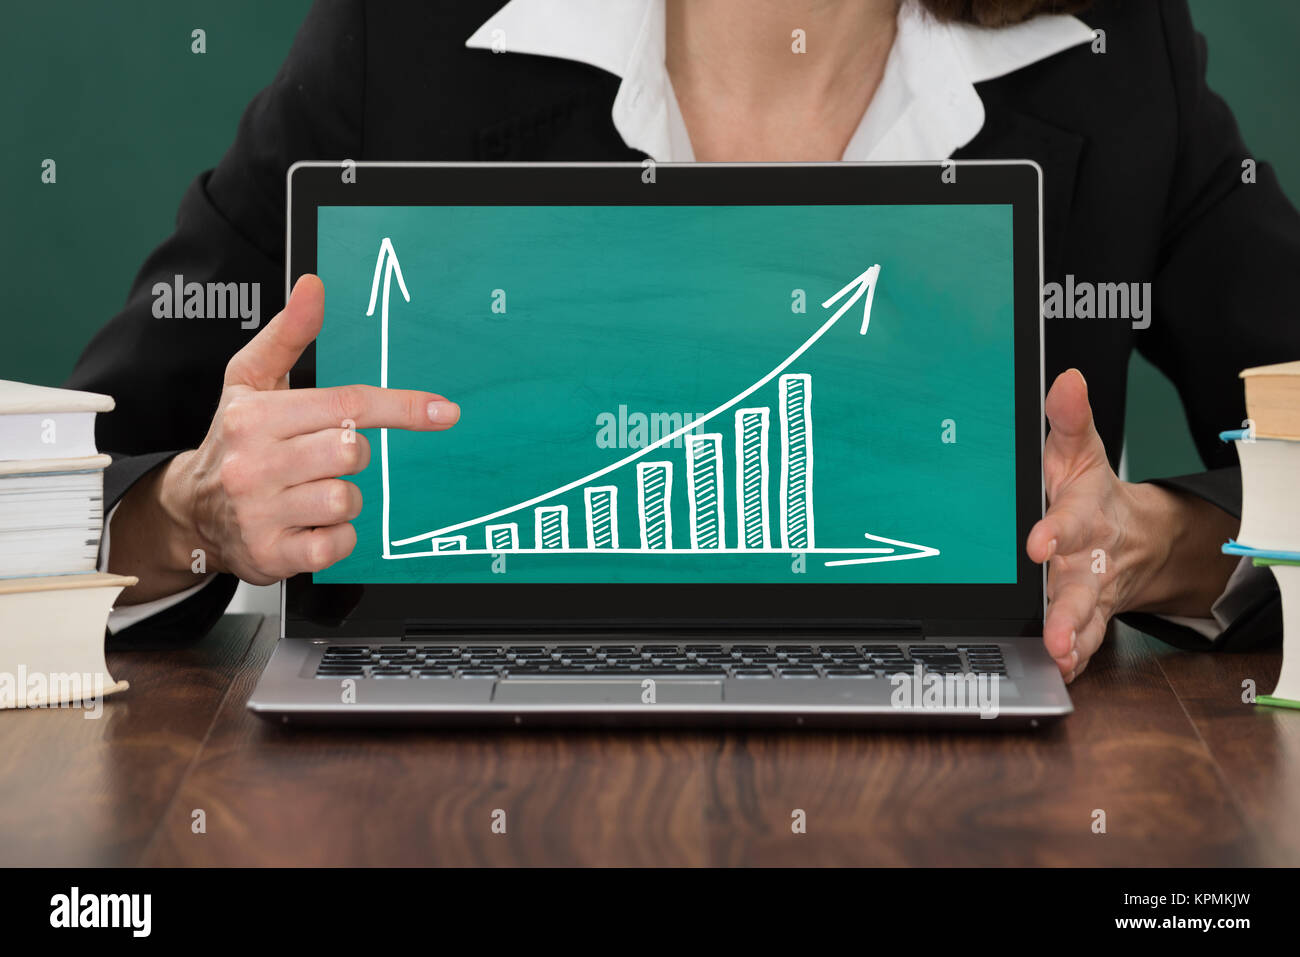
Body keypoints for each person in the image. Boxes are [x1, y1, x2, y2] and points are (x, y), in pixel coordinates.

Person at [67, 0, 1300, 681]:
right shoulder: (400, 38)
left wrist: (1157, 549)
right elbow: (76, 483)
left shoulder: (1114, 57)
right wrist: (191, 507)